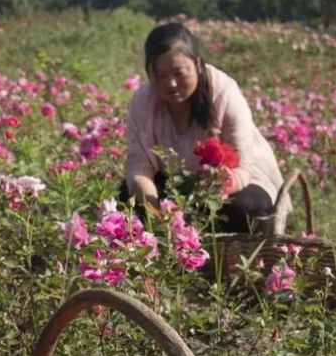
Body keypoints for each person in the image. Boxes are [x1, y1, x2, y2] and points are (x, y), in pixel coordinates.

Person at [121, 22, 288, 233]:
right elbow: (138, 166)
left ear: (197, 64)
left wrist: (206, 195)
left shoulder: (223, 93)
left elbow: (243, 167)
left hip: (234, 182)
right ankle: (156, 255)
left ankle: (238, 259)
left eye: (179, 73)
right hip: (175, 182)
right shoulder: (143, 103)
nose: (171, 84)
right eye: (160, 76)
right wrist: (156, 213)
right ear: (149, 73)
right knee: (128, 197)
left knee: (248, 207)